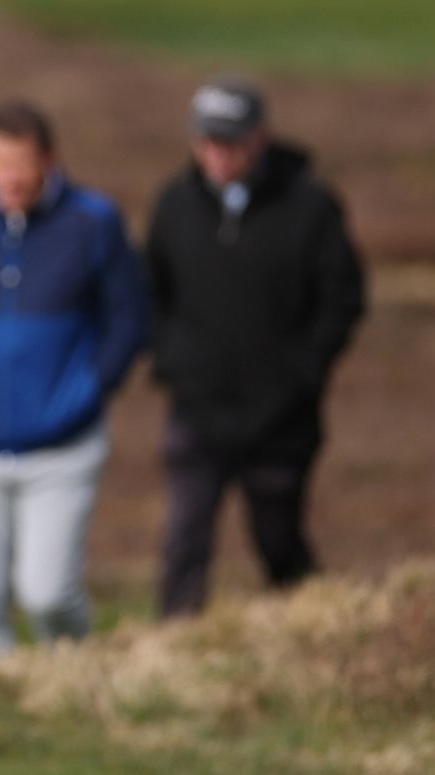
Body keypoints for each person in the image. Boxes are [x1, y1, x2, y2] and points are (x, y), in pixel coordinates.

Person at [0, 100, 146, 658]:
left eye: (18, 164)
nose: (7, 179)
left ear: (50, 160)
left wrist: (88, 391)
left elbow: (129, 320)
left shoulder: (94, 221)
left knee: (46, 594)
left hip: (62, 451)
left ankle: (74, 684)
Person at [146, 78, 364, 617]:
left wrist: (302, 373)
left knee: (278, 540)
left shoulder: (311, 206)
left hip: (281, 419)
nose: (217, 155)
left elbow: (342, 298)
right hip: (197, 412)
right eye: (207, 141)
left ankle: (310, 637)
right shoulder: (175, 204)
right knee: (184, 542)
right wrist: (174, 362)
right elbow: (150, 293)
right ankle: (167, 657)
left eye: (230, 141)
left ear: (259, 138)